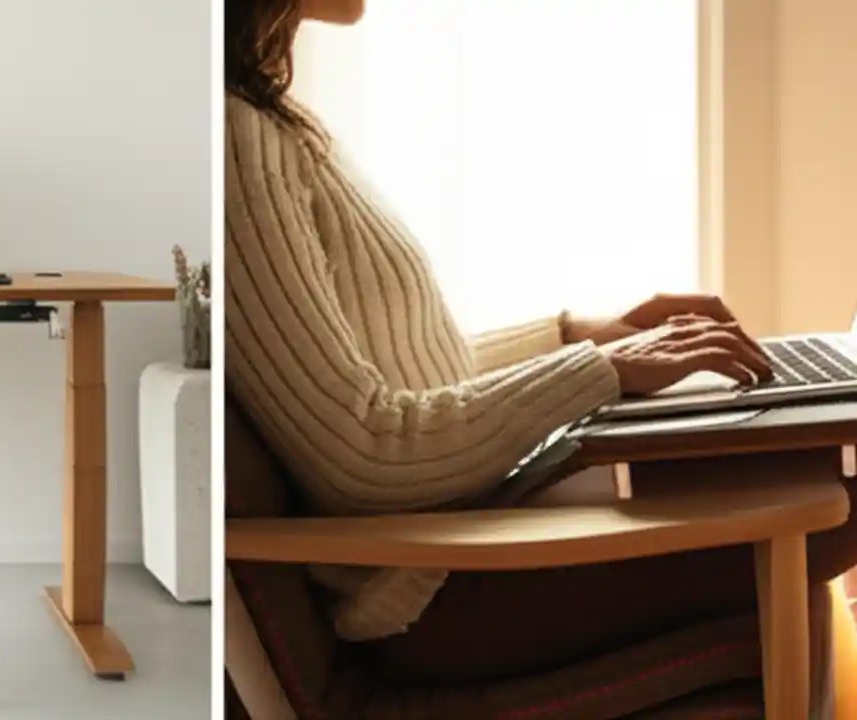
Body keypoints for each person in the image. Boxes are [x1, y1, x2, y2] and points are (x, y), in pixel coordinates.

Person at [225, 0, 857, 683]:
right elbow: (366, 451)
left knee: (796, 453)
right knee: (824, 495)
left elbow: (401, 369)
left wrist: (574, 338)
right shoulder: (238, 141)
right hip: (443, 586)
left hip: (471, 537)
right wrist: (598, 372)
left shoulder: (276, 121)